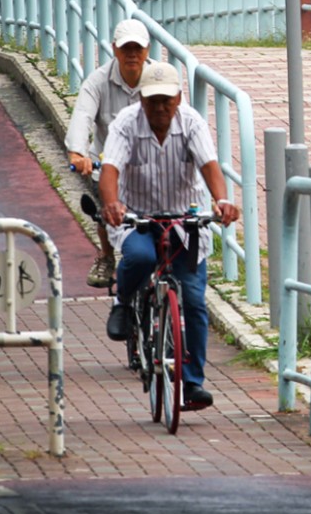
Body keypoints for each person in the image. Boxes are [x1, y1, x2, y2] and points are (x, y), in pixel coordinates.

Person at [99, 62, 240, 409]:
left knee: (192, 298)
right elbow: (110, 168)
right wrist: (113, 203)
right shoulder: (126, 123)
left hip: (184, 220)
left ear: (178, 98)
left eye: (166, 100)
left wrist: (222, 200)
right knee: (142, 257)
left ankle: (192, 383)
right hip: (139, 218)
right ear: (141, 100)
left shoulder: (192, 122)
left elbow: (209, 166)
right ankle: (122, 302)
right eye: (152, 100)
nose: (160, 108)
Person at [65, 18, 151, 287]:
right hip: (109, 162)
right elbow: (82, 115)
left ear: (147, 51)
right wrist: (78, 153)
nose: (132, 55)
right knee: (105, 206)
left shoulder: (159, 78)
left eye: (138, 49)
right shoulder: (98, 81)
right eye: (126, 49)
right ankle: (106, 255)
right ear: (115, 49)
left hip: (151, 162)